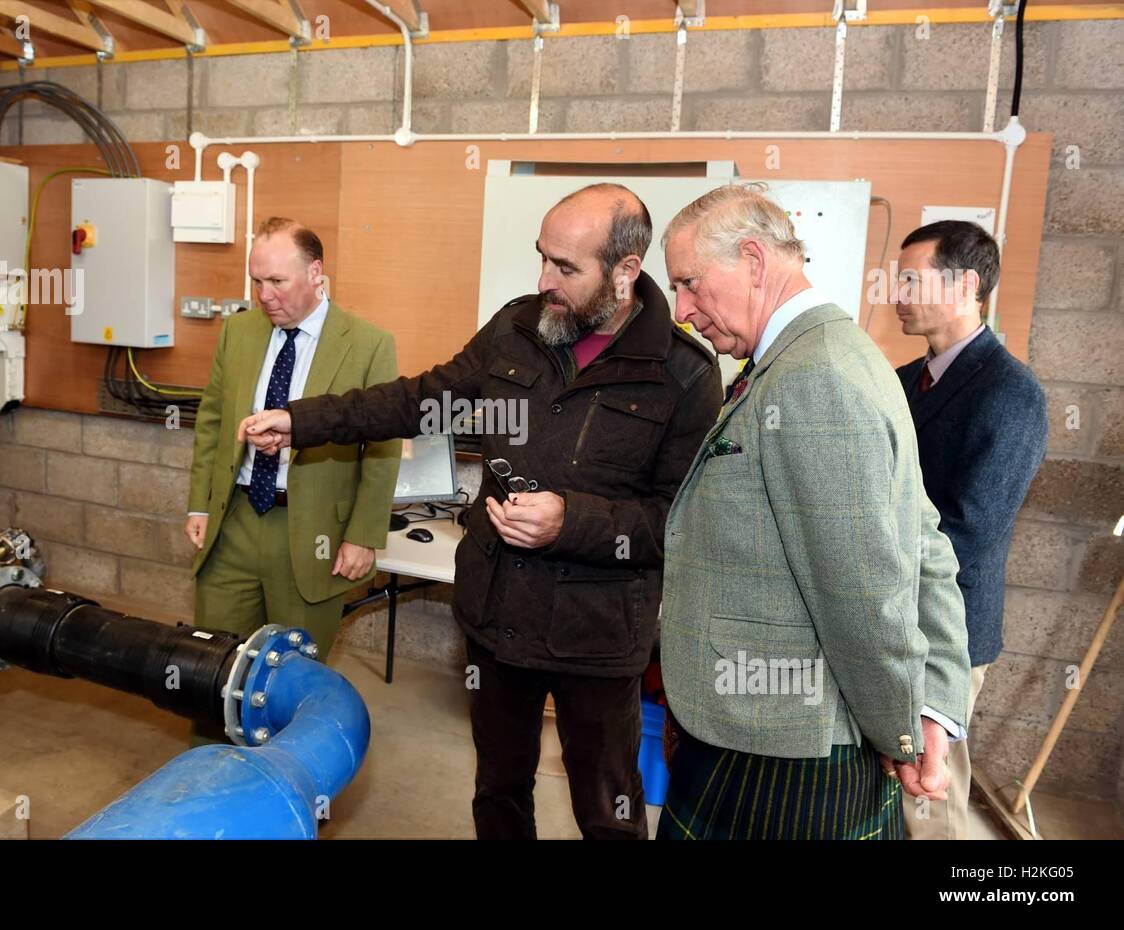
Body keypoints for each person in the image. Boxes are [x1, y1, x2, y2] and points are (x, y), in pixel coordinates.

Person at [239, 184, 721, 839]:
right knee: (497, 791)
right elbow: (420, 401)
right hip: (497, 621)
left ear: (625, 272)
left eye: (566, 268)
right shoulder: (517, 328)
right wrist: (303, 421)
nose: (544, 280)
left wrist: (569, 521)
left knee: (607, 807)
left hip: (598, 639)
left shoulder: (683, 373)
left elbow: (679, 523)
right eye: (542, 258)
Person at [658, 183, 971, 840]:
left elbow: (862, 596)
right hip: (770, 724)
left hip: (779, 747)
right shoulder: (828, 355)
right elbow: (924, 542)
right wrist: (931, 707)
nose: (682, 311)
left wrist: (902, 728)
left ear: (752, 259)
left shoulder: (812, 379)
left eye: (688, 284)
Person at [184, 217, 401, 741]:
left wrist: (364, 534)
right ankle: (213, 783)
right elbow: (211, 421)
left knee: (290, 680)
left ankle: (287, 793)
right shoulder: (237, 332)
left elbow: (384, 445)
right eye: (256, 281)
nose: (264, 295)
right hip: (232, 522)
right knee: (212, 667)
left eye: (277, 281)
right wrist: (199, 505)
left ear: (316, 272)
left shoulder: (369, 344)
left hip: (311, 539)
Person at [893, 220, 1048, 839]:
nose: (896, 293)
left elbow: (972, 529)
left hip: (947, 625)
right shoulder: (905, 382)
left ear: (965, 284)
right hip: (895, 612)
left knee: (928, 791)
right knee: (894, 776)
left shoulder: (1011, 392)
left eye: (911, 279)